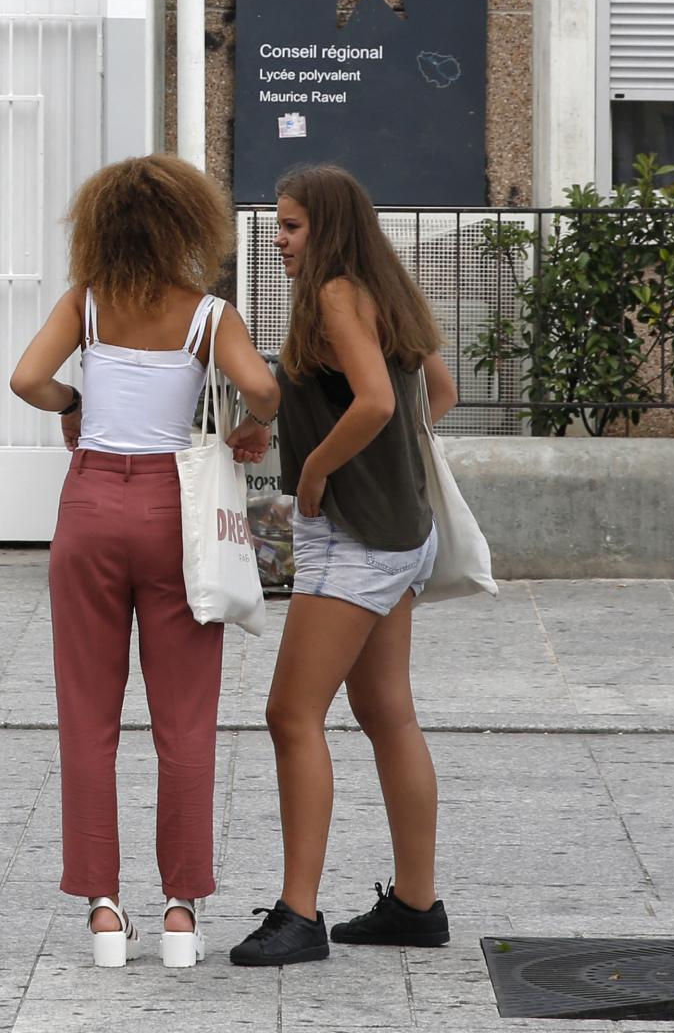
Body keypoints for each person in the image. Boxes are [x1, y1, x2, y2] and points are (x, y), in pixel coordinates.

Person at [7, 154, 280, 970]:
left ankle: (100, 910)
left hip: (89, 508)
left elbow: (26, 378)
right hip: (176, 516)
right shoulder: (208, 316)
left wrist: (78, 402)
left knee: (87, 720)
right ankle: (181, 913)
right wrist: (247, 422)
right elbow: (264, 389)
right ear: (186, 227)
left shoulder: (87, 305)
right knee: (184, 720)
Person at [231, 164, 458, 968]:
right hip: (400, 532)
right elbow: (441, 390)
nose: (280, 240)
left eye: (290, 227)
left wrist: (323, 470)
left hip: (355, 539)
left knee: (291, 715)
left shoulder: (334, 294)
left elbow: (377, 403)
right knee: (387, 711)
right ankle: (416, 904)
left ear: (323, 227)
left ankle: (299, 915)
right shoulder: (380, 286)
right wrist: (286, 430)